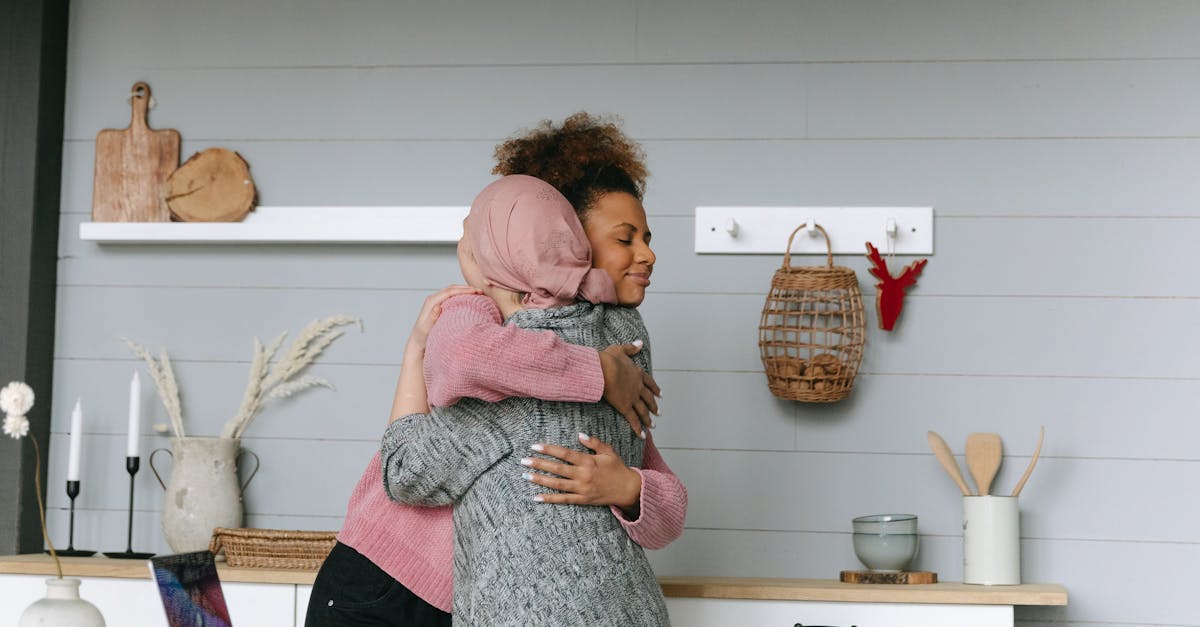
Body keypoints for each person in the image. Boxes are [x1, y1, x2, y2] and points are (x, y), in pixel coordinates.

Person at [305, 114, 685, 626]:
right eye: (624, 238)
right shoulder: (482, 316)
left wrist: (629, 487)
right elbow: (414, 463)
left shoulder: (614, 342)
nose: (647, 253)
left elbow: (650, 469)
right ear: (561, 235)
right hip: (391, 574)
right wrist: (596, 372)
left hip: (471, 596)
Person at [382, 173, 669, 625]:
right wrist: (633, 488)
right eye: (626, 238)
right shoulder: (626, 343)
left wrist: (473, 295)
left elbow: (405, 472)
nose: (648, 253)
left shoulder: (506, 385)